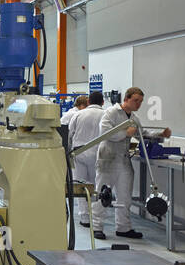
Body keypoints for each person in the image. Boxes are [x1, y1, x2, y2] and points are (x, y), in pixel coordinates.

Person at [92, 87, 171, 240]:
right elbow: (104, 132)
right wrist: (124, 133)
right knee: (103, 194)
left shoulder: (134, 119)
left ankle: (123, 227)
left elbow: (143, 134)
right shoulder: (111, 113)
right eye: (136, 100)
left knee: (125, 196)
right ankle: (96, 227)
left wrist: (161, 134)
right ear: (126, 99)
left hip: (123, 160)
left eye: (141, 101)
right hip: (108, 158)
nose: (138, 104)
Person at [67, 92, 104, 228]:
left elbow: (70, 134)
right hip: (98, 154)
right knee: (96, 187)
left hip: (79, 153)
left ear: (88, 101)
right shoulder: (106, 115)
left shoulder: (78, 114)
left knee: (80, 186)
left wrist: (68, 152)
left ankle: (84, 217)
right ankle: (96, 218)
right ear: (103, 102)